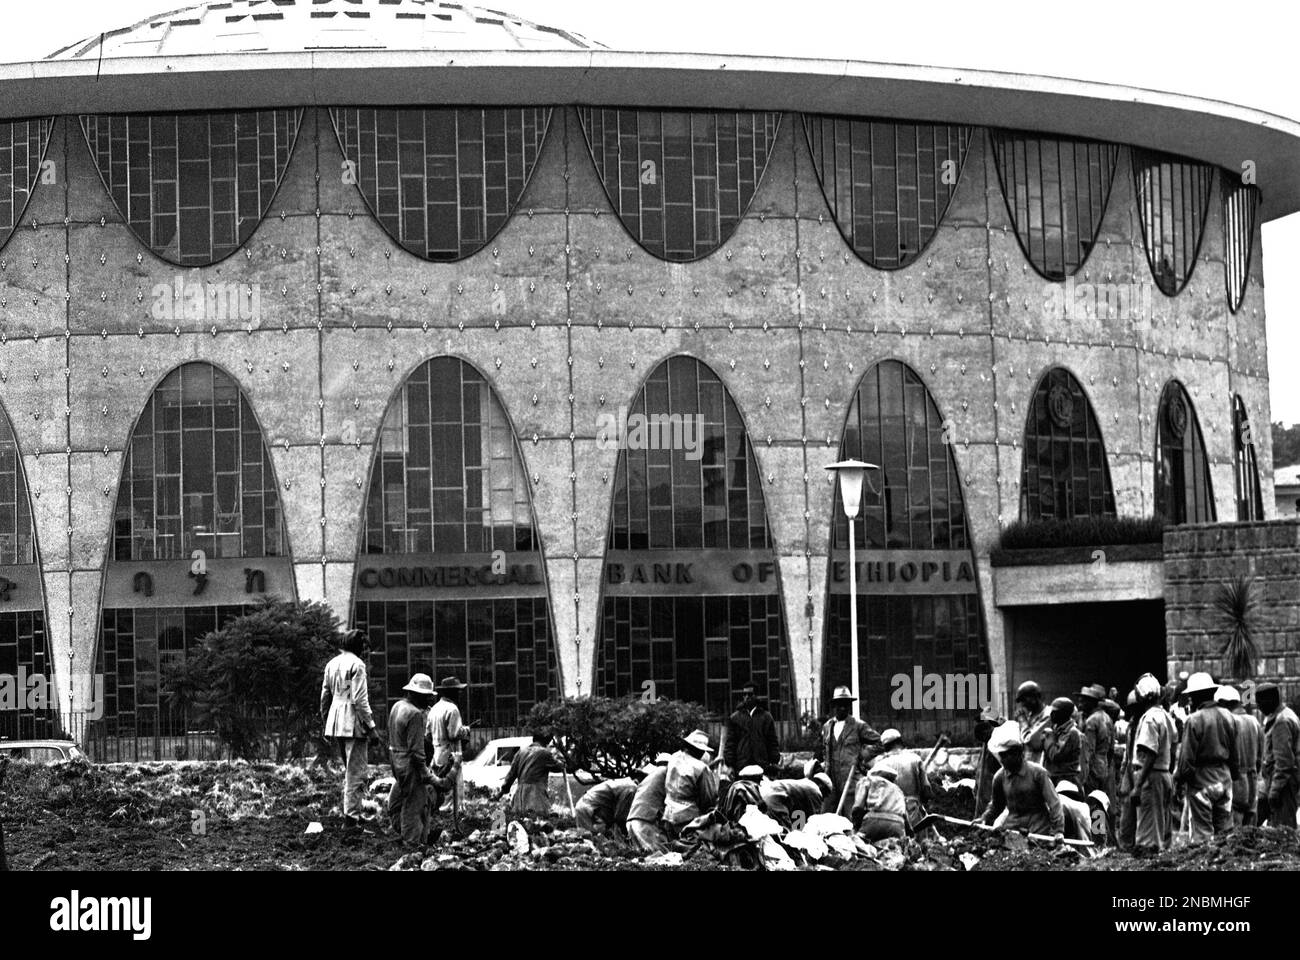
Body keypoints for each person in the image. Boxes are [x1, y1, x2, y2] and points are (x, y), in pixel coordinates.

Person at [319, 629, 380, 829]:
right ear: (358, 646)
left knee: (350, 771)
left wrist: (326, 721)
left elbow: (326, 696)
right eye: (364, 647)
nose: (365, 651)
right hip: (353, 723)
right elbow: (359, 700)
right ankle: (351, 819)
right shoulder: (357, 665)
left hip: (336, 722)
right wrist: (371, 727)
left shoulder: (332, 664)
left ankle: (353, 811)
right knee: (356, 772)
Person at [1174, 672, 1240, 842]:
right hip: (1224, 780)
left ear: (1197, 696)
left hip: (1201, 782)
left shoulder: (1193, 720)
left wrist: (1180, 781)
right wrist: (1234, 776)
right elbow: (1234, 755)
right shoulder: (1229, 717)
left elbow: (1186, 759)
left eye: (1191, 696)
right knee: (1225, 832)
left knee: (1202, 833)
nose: (1190, 700)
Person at [386, 674, 449, 847]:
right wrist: (426, 775)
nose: (429, 700)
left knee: (405, 798)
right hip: (409, 764)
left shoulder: (397, 706)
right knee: (415, 804)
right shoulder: (415, 714)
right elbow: (416, 751)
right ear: (415, 694)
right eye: (426, 696)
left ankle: (410, 836)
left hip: (396, 759)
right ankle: (412, 843)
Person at [982, 720, 1064, 843]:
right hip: (1013, 828)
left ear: (1018, 753)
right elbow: (996, 805)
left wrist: (1058, 831)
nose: (1002, 760)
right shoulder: (1000, 777)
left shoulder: (1038, 773)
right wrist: (984, 818)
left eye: (1006, 755)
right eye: (1001, 756)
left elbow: (1054, 803)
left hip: (1039, 828)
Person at [1130, 674, 1176, 853]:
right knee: (1160, 826)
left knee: (1148, 832)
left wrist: (1138, 785)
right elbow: (1173, 745)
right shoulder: (1165, 715)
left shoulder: (1149, 718)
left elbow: (1150, 752)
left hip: (1150, 775)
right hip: (1163, 773)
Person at [813, 686, 876, 813]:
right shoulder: (827, 727)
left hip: (850, 779)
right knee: (827, 816)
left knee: (851, 815)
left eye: (846, 704)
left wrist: (862, 756)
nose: (843, 708)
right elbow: (822, 751)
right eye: (839, 704)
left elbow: (879, 743)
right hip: (830, 780)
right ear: (834, 706)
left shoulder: (858, 726)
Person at [1216, 686, 1262, 827]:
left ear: (1224, 703)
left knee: (1235, 832)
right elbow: (1260, 757)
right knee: (1251, 832)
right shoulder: (1254, 722)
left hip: (1235, 782)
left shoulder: (1229, 721)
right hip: (1252, 780)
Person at [1257, 682, 1299, 830]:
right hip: (1281, 783)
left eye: (1260, 702)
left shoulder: (1282, 722)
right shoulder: (1284, 716)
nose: (1258, 706)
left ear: (1270, 700)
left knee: (1283, 832)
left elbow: (1284, 762)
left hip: (1283, 787)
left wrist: (1274, 791)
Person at [662, 729, 720, 833]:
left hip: (668, 814)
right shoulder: (701, 768)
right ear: (701, 751)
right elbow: (708, 800)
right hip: (688, 819)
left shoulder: (674, 758)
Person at [871, 729, 933, 826]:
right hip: (914, 813)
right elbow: (926, 789)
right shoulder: (915, 759)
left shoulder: (879, 764)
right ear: (900, 741)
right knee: (921, 840)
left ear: (885, 746)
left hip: (891, 815)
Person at [495, 731, 564, 814]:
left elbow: (511, 775)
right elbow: (560, 766)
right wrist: (560, 751)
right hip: (536, 796)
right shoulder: (544, 753)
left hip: (520, 797)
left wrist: (500, 793)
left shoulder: (520, 752)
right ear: (546, 741)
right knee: (538, 822)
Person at [723, 683, 781, 778]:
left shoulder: (766, 717)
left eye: (750, 694)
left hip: (762, 765)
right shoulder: (735, 718)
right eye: (744, 694)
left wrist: (774, 761)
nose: (747, 697)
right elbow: (730, 743)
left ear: (756, 696)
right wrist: (730, 764)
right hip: (741, 766)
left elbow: (772, 741)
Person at [574, 768, 646, 835]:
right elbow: (621, 817)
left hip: (585, 806)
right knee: (593, 840)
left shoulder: (625, 783)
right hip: (590, 810)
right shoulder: (631, 788)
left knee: (588, 840)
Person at [626, 753, 672, 852]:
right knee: (663, 857)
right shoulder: (667, 773)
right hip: (645, 821)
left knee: (645, 860)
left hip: (632, 820)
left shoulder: (650, 777)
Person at [761, 764, 832, 827]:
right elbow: (813, 819)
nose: (824, 798)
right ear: (821, 785)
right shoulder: (815, 790)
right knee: (785, 831)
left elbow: (799, 815)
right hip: (775, 797)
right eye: (826, 793)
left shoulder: (804, 785)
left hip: (766, 792)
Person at [851, 763, 909, 841]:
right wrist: (909, 834)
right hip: (898, 825)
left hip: (875, 821)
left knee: (859, 843)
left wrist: (856, 826)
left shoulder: (868, 780)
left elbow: (858, 807)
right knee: (896, 848)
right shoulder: (898, 790)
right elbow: (906, 817)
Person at [1078, 684, 1114, 798]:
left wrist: (1083, 774)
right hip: (1104, 765)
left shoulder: (1091, 721)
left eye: (1083, 702)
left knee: (1091, 801)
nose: (1080, 705)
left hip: (1092, 769)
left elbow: (1089, 750)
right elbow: (1111, 748)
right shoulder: (1107, 718)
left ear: (1091, 702)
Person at [1042, 697, 1081, 786]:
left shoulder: (1071, 732)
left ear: (1064, 714)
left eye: (1055, 712)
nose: (1051, 715)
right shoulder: (1056, 728)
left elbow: (1056, 755)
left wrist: (1049, 737)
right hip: (1054, 776)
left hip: (1065, 779)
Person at [1014, 681, 1052, 764]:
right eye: (1021, 701)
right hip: (1029, 766)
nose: (1023, 704)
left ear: (1036, 697)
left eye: (1024, 699)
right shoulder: (1030, 716)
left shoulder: (1048, 715)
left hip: (1043, 766)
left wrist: (1022, 721)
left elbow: (1033, 742)